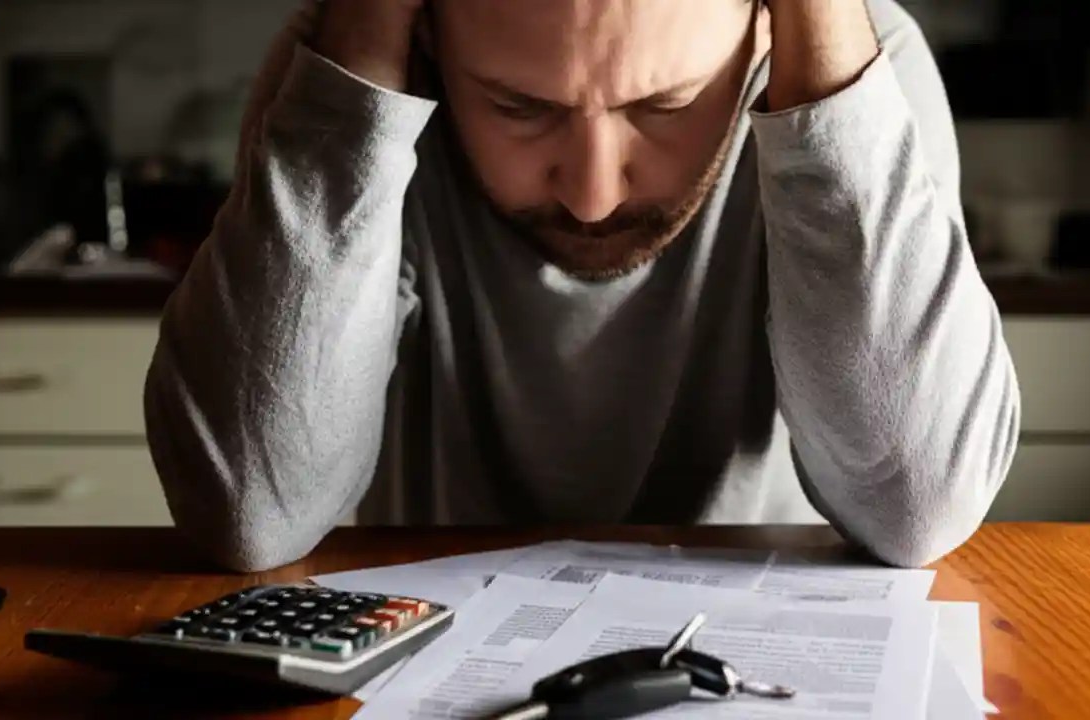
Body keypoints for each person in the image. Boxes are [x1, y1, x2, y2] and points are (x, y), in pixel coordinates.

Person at [144, 0, 1021, 572]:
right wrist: (359, 77)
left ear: (765, 27)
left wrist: (829, 77)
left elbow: (916, 506)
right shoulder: (349, 68)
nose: (593, 194)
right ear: (426, 40)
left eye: (666, 106)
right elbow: (251, 510)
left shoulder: (850, 61)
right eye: (519, 108)